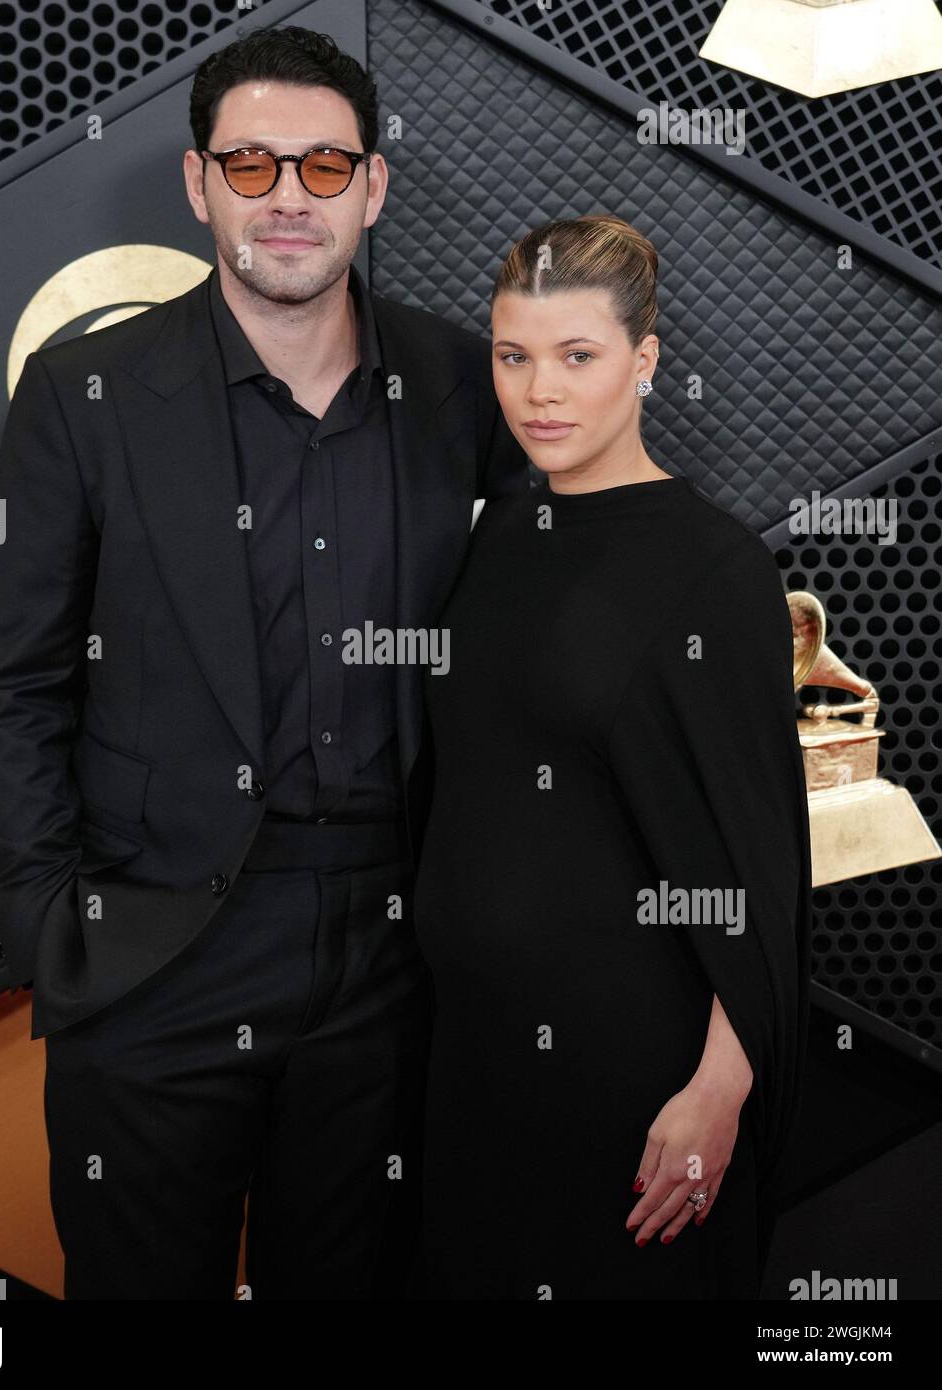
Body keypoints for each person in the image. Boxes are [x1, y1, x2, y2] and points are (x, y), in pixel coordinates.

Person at [0, 25, 528, 1300]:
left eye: (324, 167)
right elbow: (12, 683)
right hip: (154, 953)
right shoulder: (84, 390)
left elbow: (557, 613)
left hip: (394, 954)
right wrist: (53, 927)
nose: (287, 198)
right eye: (252, 163)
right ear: (196, 183)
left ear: (373, 189)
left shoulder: (460, 383)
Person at [411, 215, 813, 1299]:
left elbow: (760, 863)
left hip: (630, 1076)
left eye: (576, 356)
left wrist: (717, 1092)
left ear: (642, 361)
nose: (539, 391)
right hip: (468, 1066)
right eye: (512, 356)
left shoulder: (713, 565)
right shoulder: (497, 535)